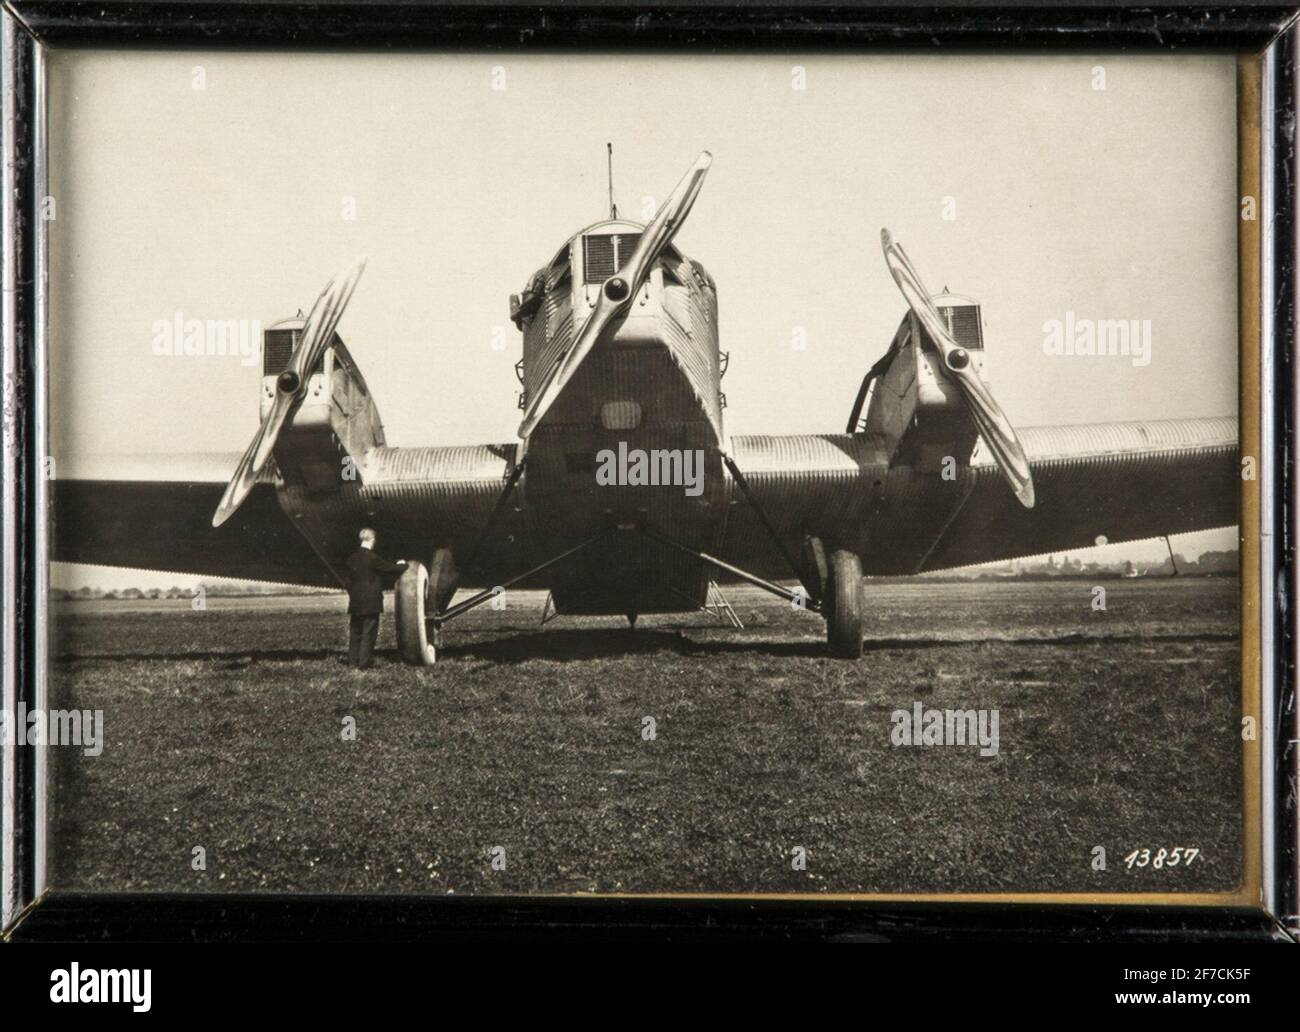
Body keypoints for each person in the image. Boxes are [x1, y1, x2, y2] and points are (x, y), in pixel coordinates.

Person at [344, 528, 407, 669]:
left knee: (355, 632)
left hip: (355, 601)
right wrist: (403, 565)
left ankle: (352, 661)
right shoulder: (373, 558)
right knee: (369, 633)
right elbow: (390, 568)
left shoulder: (351, 559)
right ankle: (364, 663)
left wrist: (353, 594)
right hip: (372, 602)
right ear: (372, 541)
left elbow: (347, 582)